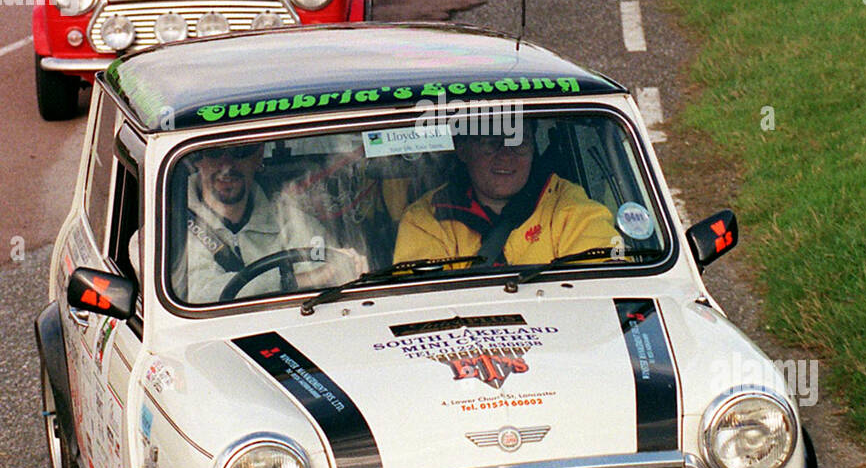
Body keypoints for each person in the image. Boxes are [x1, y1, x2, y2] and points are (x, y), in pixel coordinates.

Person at [393, 124, 620, 267]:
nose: (505, 156)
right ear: (463, 150)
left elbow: (605, 278)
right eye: (491, 143)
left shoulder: (566, 203)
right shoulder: (427, 219)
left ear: (533, 148)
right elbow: (422, 299)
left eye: (518, 143)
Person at [172, 141, 362, 304]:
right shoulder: (167, 225)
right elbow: (197, 296)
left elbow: (329, 279)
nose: (226, 166)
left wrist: (349, 265)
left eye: (240, 151)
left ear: (258, 156)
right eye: (214, 152)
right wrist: (293, 281)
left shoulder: (288, 218)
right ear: (198, 159)